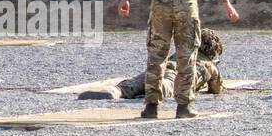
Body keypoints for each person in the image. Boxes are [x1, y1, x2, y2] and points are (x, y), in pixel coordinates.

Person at [79, 28, 224, 100]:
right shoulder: (208, 64)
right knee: (166, 87)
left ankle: (114, 91)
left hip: (164, 68)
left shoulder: (181, 51)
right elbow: (216, 88)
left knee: (135, 83)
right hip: (178, 76)